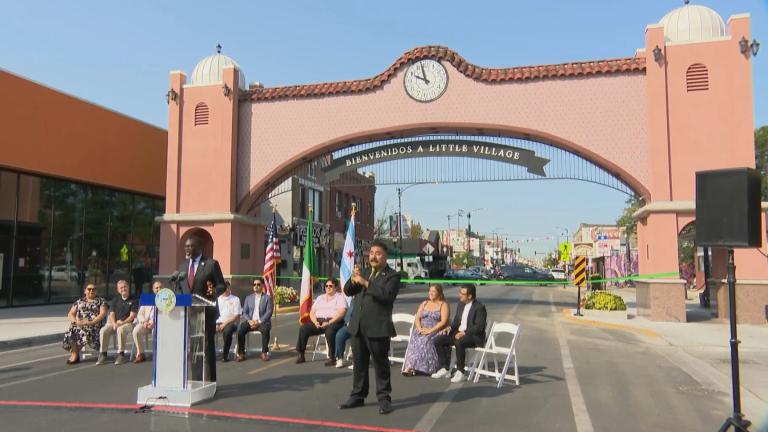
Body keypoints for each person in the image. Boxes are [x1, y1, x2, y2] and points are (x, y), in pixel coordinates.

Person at [339, 240, 400, 415]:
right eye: (371, 253)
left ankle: (384, 399)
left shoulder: (392, 276)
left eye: (378, 253)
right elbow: (348, 291)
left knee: (381, 365)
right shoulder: (365, 272)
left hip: (378, 328)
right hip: (357, 326)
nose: (373, 256)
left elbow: (386, 296)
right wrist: (353, 278)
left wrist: (365, 282)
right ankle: (357, 396)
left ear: (385, 256)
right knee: (359, 364)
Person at [178, 235, 226, 381]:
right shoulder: (183, 267)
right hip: (189, 312)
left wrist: (214, 291)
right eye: (186, 246)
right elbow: (180, 288)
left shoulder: (211, 264)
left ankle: (211, 381)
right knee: (194, 346)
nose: (187, 248)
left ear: (199, 248)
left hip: (207, 311)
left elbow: (222, 285)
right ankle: (196, 380)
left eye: (190, 246)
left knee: (207, 346)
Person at [432, 283, 487, 383]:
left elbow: (479, 327)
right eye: (460, 292)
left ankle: (461, 372)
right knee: (438, 340)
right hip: (459, 334)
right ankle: (444, 367)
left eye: (462, 293)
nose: (460, 295)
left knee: (459, 341)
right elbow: (457, 321)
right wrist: (449, 328)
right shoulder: (461, 304)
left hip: (474, 337)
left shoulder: (479, 307)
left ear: (470, 296)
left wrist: (464, 332)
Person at [295, 278, 346, 366]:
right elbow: (312, 312)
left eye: (331, 286)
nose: (328, 288)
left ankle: (332, 357)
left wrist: (329, 322)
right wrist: (315, 322)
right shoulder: (320, 298)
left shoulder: (340, 297)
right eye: (326, 286)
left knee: (330, 331)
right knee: (304, 328)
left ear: (336, 287)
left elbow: (342, 312)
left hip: (334, 321)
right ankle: (301, 355)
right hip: (319, 322)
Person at [402, 284, 450, 376]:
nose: (431, 293)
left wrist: (430, 330)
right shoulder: (424, 303)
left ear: (439, 294)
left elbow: (444, 321)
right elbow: (417, 318)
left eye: (433, 291)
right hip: (422, 329)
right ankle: (411, 366)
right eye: (430, 291)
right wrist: (419, 328)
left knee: (425, 341)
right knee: (416, 339)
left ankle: (425, 367)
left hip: (436, 329)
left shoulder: (443, 304)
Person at [63, 283, 108, 364]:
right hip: (79, 324)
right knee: (71, 331)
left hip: (94, 326)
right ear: (85, 291)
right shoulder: (79, 301)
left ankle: (74, 355)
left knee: (83, 331)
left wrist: (90, 322)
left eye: (93, 289)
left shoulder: (101, 301)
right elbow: (70, 313)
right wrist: (75, 321)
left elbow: (102, 314)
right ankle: (75, 354)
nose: (91, 291)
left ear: (96, 291)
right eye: (89, 289)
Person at [96, 280, 138, 365]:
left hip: (128, 323)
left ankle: (121, 354)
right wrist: (114, 323)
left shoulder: (134, 300)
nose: (123, 289)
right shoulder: (115, 300)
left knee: (121, 330)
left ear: (128, 287)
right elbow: (111, 314)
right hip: (114, 322)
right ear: (118, 290)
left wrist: (121, 323)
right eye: (121, 288)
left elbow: (132, 316)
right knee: (103, 330)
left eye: (125, 287)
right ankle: (103, 353)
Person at [236, 277, 273, 362]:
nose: (256, 286)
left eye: (258, 284)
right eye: (254, 284)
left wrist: (259, 322)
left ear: (262, 286)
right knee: (241, 329)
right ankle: (241, 353)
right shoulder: (248, 298)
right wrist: (250, 321)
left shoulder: (267, 298)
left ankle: (264, 353)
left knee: (265, 330)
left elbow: (269, 312)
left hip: (262, 322)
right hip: (251, 321)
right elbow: (244, 312)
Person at [132, 281, 161, 363]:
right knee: (136, 331)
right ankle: (141, 354)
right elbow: (140, 314)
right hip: (146, 323)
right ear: (153, 289)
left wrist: (154, 322)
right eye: (156, 288)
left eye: (160, 287)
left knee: (155, 332)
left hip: (157, 324)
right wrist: (144, 322)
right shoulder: (147, 298)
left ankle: (157, 353)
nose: (159, 289)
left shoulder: (166, 300)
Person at [216, 280, 242, 362]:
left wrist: (224, 324)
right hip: (218, 322)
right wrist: (215, 324)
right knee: (207, 330)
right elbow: (214, 314)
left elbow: (237, 315)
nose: (225, 289)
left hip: (231, 323)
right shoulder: (217, 299)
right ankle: (209, 354)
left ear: (229, 287)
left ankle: (225, 354)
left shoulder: (235, 299)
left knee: (227, 331)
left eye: (227, 287)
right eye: (223, 288)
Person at [333, 296, 354, 368]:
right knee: (340, 335)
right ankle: (340, 358)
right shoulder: (353, 300)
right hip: (349, 325)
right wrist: (348, 321)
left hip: (361, 326)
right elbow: (349, 314)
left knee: (356, 337)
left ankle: (356, 360)